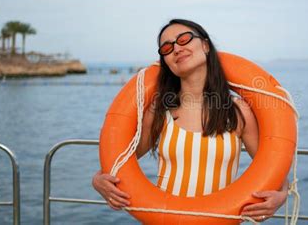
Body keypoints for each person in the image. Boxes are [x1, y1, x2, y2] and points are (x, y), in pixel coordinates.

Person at [92, 19, 288, 222]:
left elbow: (273, 167)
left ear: (204, 45)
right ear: (166, 62)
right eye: (167, 47)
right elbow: (122, 159)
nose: (176, 48)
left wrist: (280, 196)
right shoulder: (159, 110)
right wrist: (98, 179)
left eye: (184, 39)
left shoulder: (238, 112)